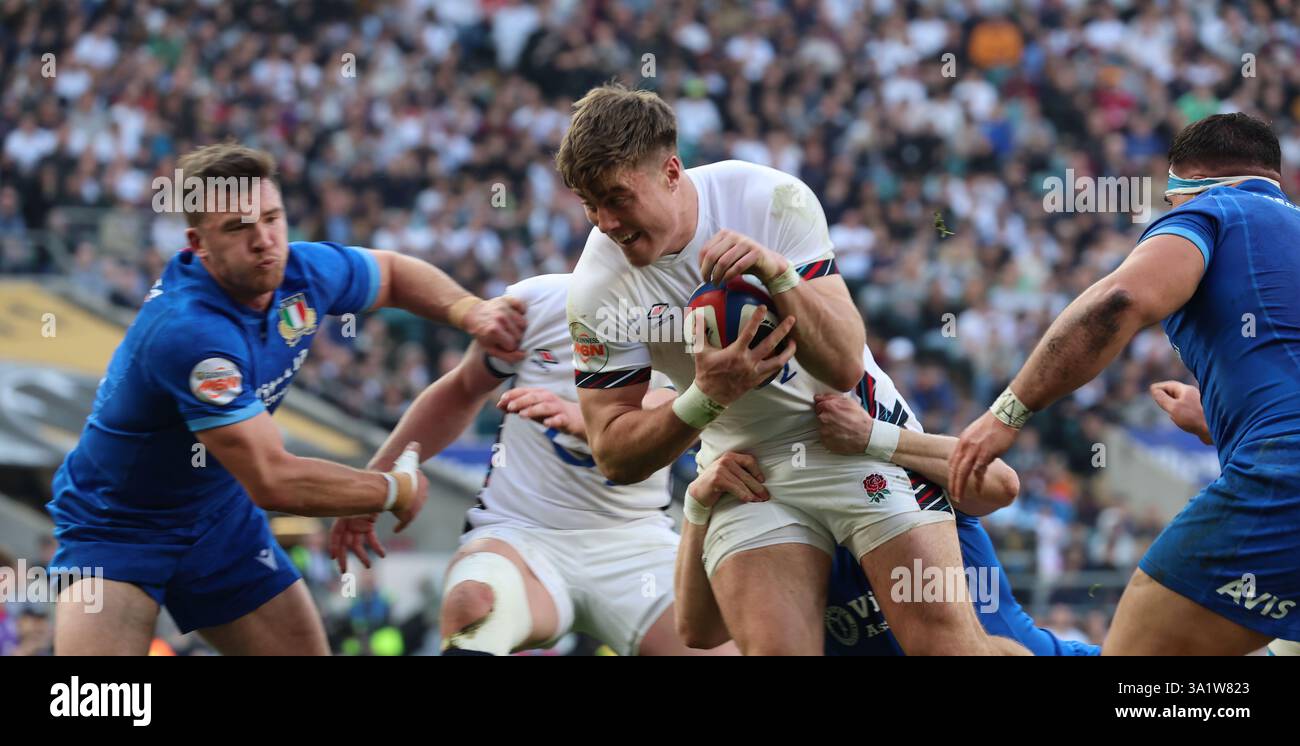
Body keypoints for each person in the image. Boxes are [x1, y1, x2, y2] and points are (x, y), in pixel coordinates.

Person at [560, 84, 1022, 655]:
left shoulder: (768, 198)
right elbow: (612, 451)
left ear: (671, 171)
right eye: (589, 204)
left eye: (616, 197)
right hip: (748, 471)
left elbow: (845, 363)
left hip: (853, 435)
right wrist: (706, 396)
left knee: (946, 649)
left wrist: (780, 277)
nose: (605, 221)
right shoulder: (596, 289)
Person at [48, 143, 526, 655]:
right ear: (197, 243)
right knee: (94, 706)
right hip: (120, 526)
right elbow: (273, 479)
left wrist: (468, 310)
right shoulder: (189, 333)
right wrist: (389, 490)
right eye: (238, 227)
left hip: (218, 517)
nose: (264, 241)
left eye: (273, 219)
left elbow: (390, 274)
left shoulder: (302, 273)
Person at [950, 113, 1300, 654]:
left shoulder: (1213, 209)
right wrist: (1220, 418)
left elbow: (1119, 300)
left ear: (1184, 181)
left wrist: (1008, 413)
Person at [332, 273, 734, 655]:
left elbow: (678, 411)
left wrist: (588, 424)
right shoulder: (536, 304)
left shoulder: (690, 318)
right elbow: (462, 389)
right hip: (522, 535)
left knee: (728, 643)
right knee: (473, 602)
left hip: (635, 540)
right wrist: (377, 477)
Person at [673, 383, 1096, 655]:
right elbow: (699, 631)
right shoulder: (769, 534)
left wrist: (872, 436)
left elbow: (1002, 483)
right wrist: (697, 505)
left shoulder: (896, 477)